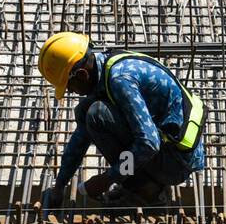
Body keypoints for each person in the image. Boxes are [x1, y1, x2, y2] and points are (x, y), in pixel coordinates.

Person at [37, 32, 207, 211]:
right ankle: (142, 183)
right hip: (169, 151)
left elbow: (149, 143)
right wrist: (60, 183)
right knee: (88, 111)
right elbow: (81, 136)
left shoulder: (120, 80)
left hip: (177, 162)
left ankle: (147, 190)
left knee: (97, 114)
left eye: (70, 87)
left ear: (81, 74)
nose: (72, 92)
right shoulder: (105, 68)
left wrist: (108, 178)